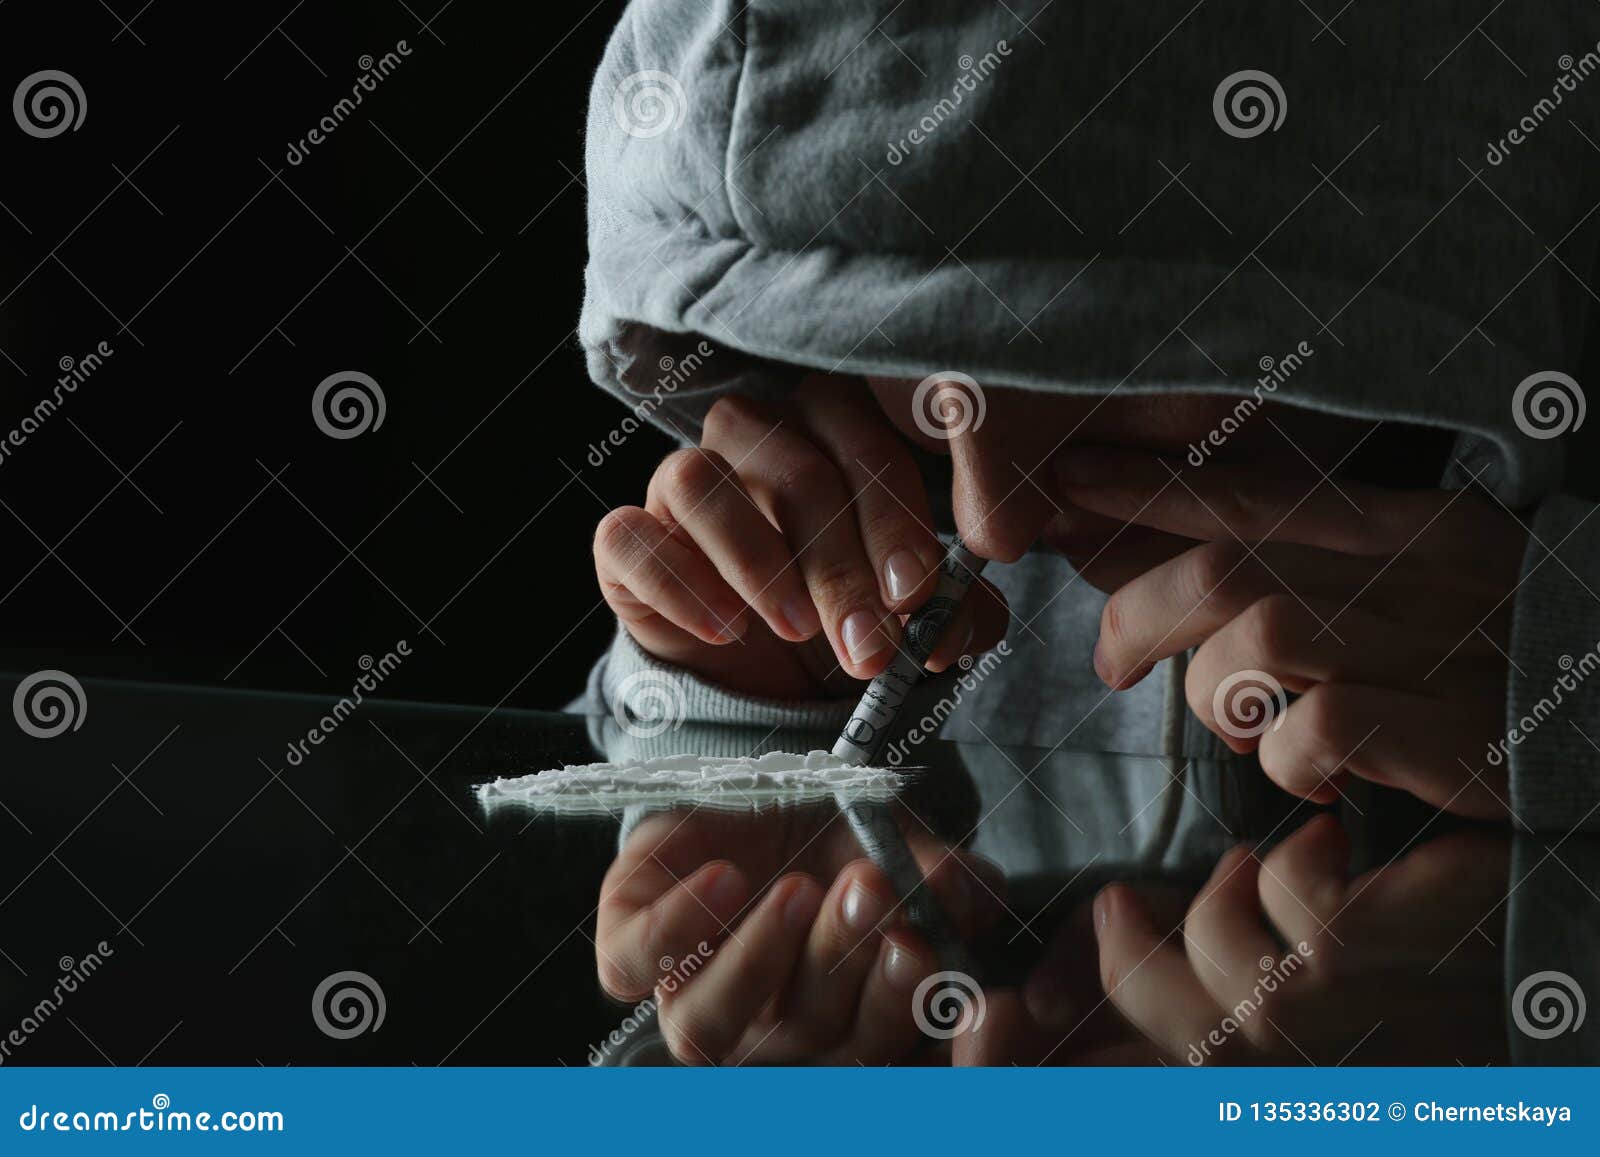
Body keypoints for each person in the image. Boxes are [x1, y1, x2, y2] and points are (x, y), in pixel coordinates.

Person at [577, 2, 1600, 1063]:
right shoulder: (880, 512)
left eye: (1102, 372)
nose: (995, 522)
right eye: (925, 390)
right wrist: (732, 709)